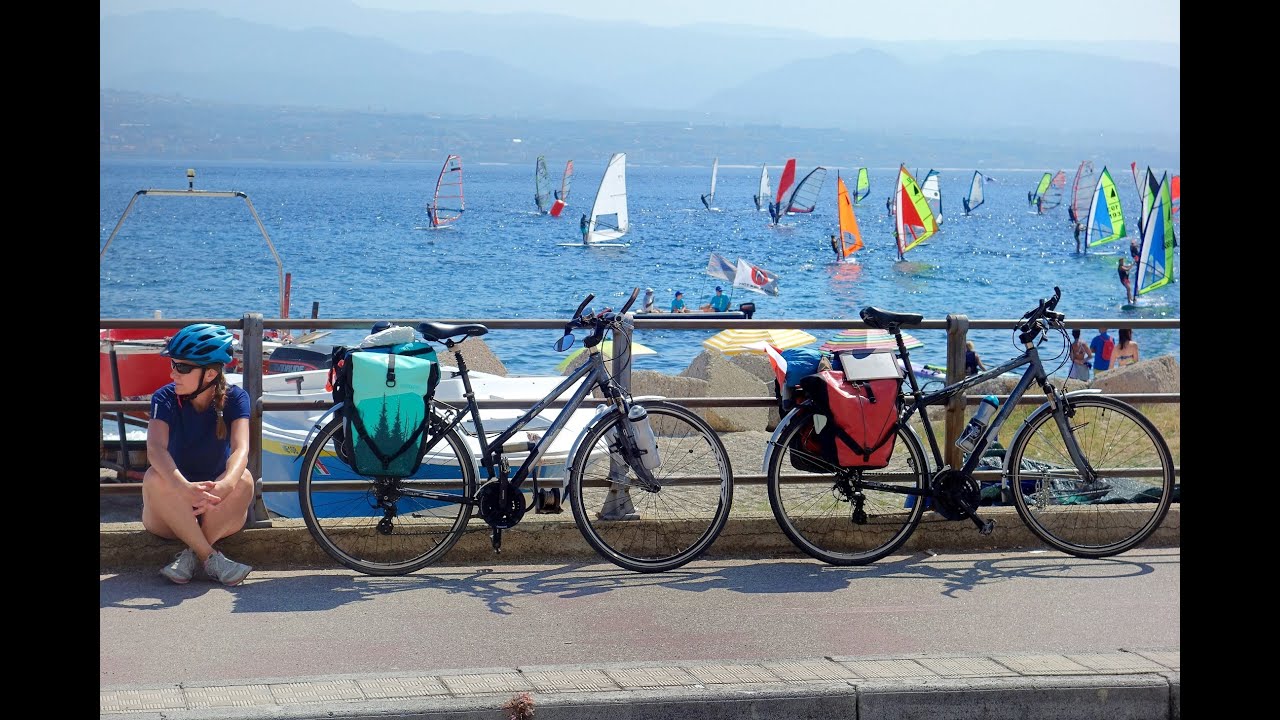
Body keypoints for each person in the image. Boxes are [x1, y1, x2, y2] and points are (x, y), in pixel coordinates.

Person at [143, 323, 256, 586]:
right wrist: (183, 488)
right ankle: (209, 556)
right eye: (173, 365)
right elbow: (155, 449)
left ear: (209, 374)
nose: (173, 374)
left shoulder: (236, 399)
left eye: (182, 367)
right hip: (170, 511)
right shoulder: (164, 398)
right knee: (154, 477)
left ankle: (191, 556)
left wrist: (225, 486)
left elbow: (241, 449)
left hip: (216, 507)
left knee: (245, 479)